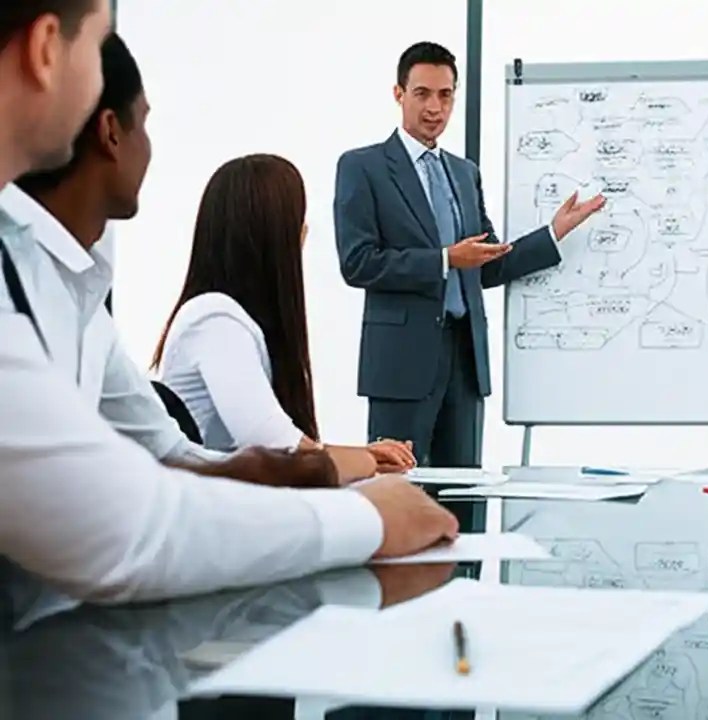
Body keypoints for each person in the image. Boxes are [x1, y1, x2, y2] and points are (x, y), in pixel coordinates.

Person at [0, 0, 456, 602]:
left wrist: (342, 472)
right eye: (97, 39)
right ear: (46, 51)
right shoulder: (207, 316)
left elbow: (170, 457)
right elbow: (122, 533)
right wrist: (370, 520)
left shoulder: (67, 283)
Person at [6, 32, 345, 489]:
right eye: (143, 124)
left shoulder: (87, 304)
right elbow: (100, 506)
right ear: (111, 133)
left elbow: (172, 453)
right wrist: (362, 508)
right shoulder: (214, 317)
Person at [334, 41, 605, 467]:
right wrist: (444, 260)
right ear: (398, 93)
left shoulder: (463, 173)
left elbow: (486, 263)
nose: (434, 108)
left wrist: (552, 234)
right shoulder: (362, 167)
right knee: (399, 491)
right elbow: (358, 262)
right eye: (422, 93)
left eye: (445, 95)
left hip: (464, 360)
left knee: (463, 494)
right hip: (401, 365)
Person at [153, 154, 416, 484]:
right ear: (274, 233)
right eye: (298, 220)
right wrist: (363, 461)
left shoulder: (227, 319)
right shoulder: (215, 322)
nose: (305, 232)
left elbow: (284, 446)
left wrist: (361, 454)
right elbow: (282, 453)